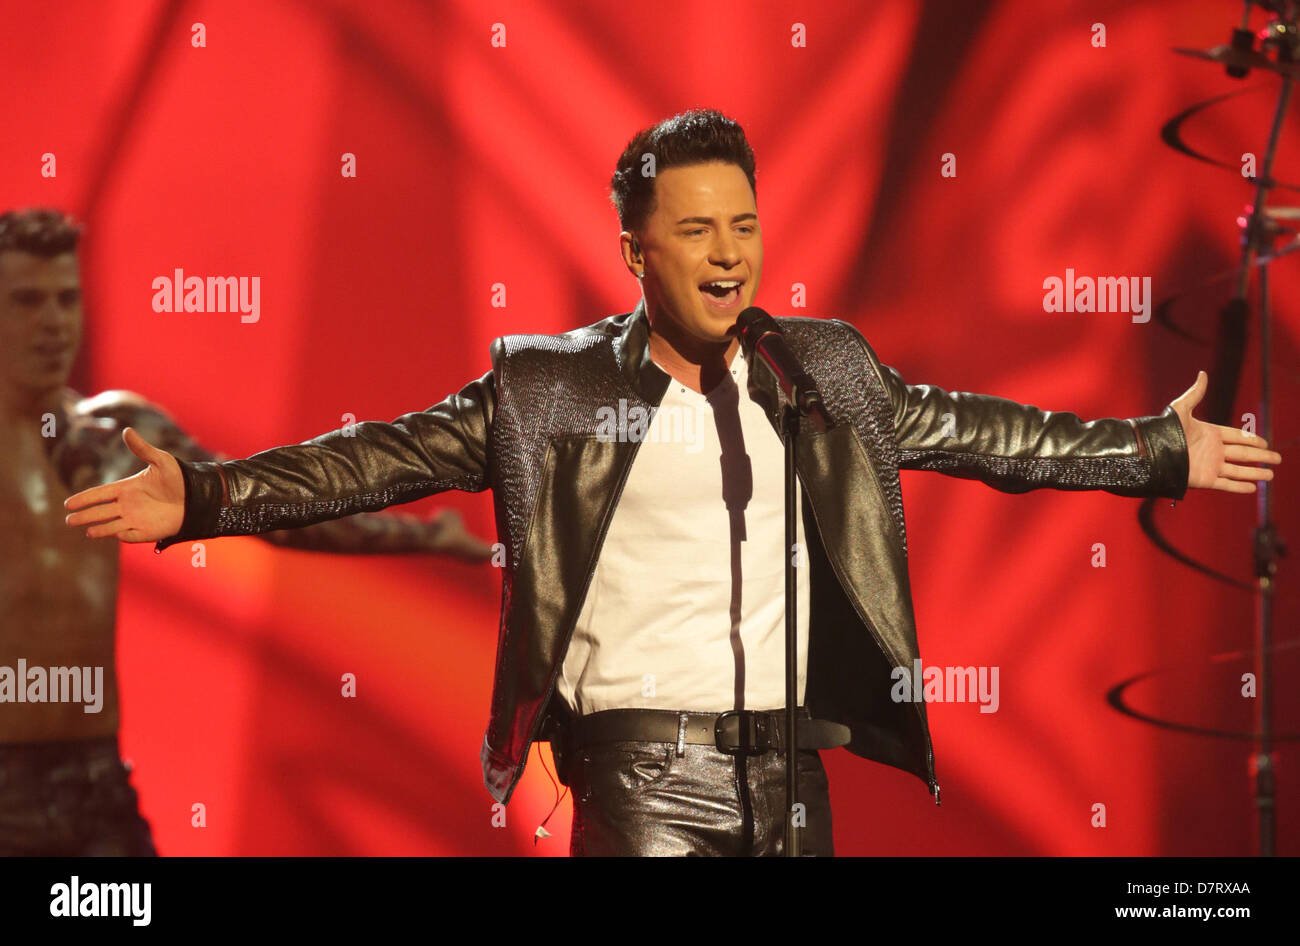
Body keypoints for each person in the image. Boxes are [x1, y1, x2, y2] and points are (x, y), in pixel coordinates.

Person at [64, 110, 1282, 857]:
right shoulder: (551, 390)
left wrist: (1155, 449)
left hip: (790, 777)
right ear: (636, 248)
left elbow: (982, 435)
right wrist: (213, 499)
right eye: (696, 230)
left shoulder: (818, 370)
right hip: (645, 781)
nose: (729, 252)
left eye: (743, 224)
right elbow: (378, 455)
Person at [0, 207, 493, 856]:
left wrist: (423, 538)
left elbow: (264, 507)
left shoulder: (115, 434)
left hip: (94, 781)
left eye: (67, 299)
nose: (53, 323)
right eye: (27, 301)